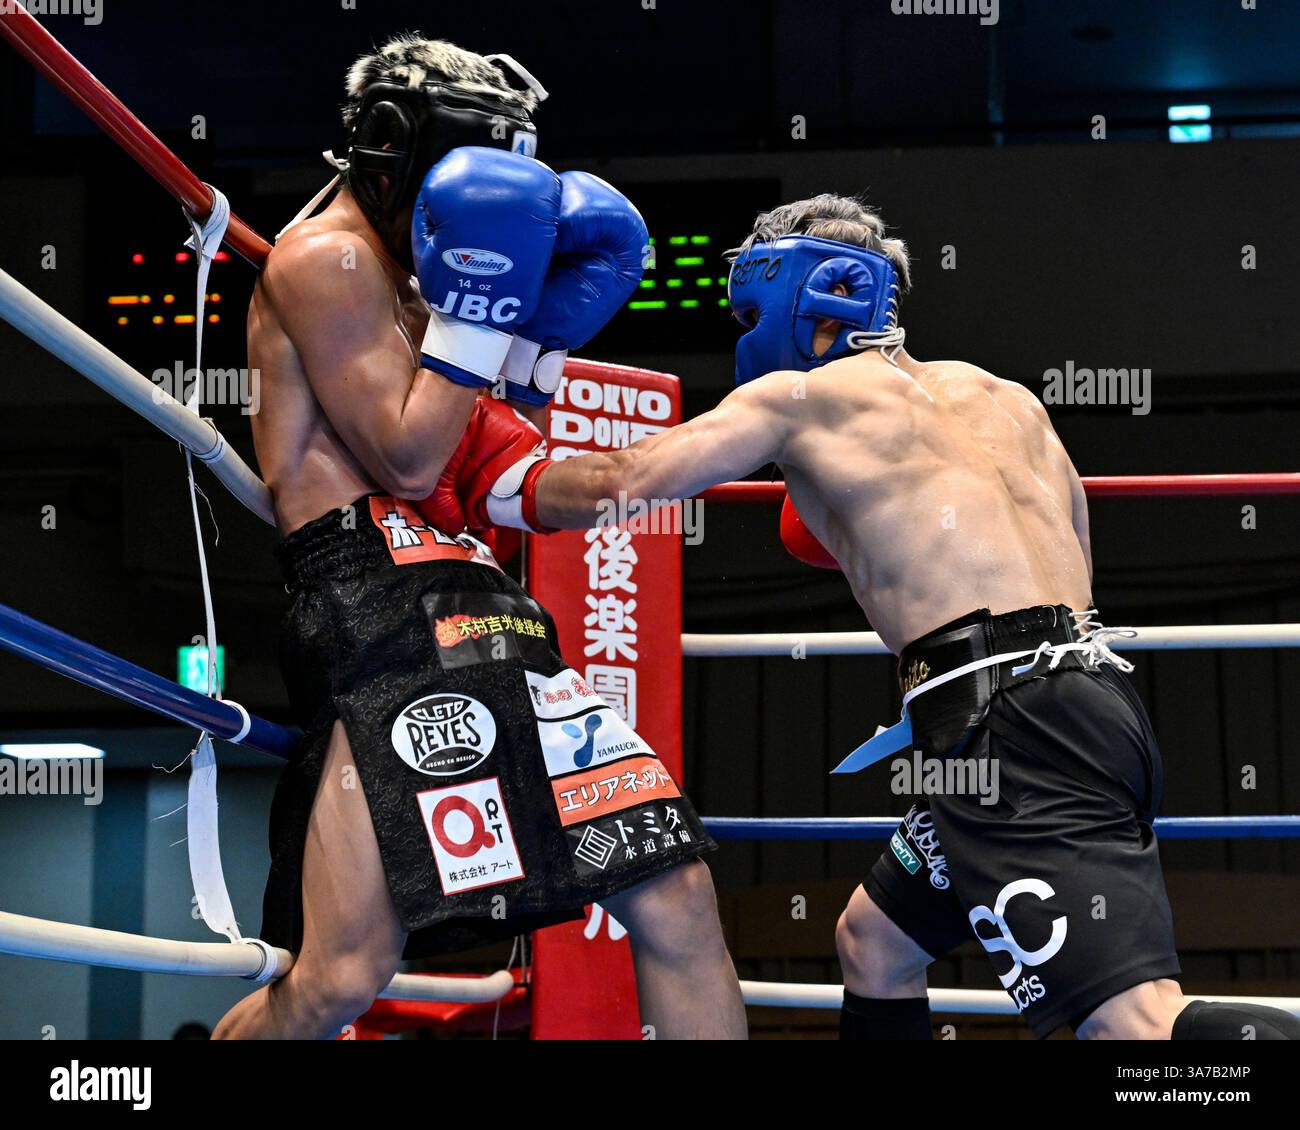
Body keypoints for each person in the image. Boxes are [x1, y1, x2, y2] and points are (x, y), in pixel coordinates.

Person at [499, 193, 1300, 1041]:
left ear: (796, 297)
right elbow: (1074, 583)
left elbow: (621, 482)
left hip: (1009, 729)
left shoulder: (796, 401)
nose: (746, 330)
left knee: (1131, 1026)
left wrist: (501, 431)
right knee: (874, 941)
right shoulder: (1012, 399)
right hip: (1090, 706)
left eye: (748, 308)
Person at [214, 34, 746, 1040]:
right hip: (372, 600)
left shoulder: (430, 284)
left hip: (483, 605)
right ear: (392, 148)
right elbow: (413, 464)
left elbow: (522, 480)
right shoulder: (328, 260)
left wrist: (743, 438)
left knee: (675, 893)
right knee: (341, 976)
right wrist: (486, 320)